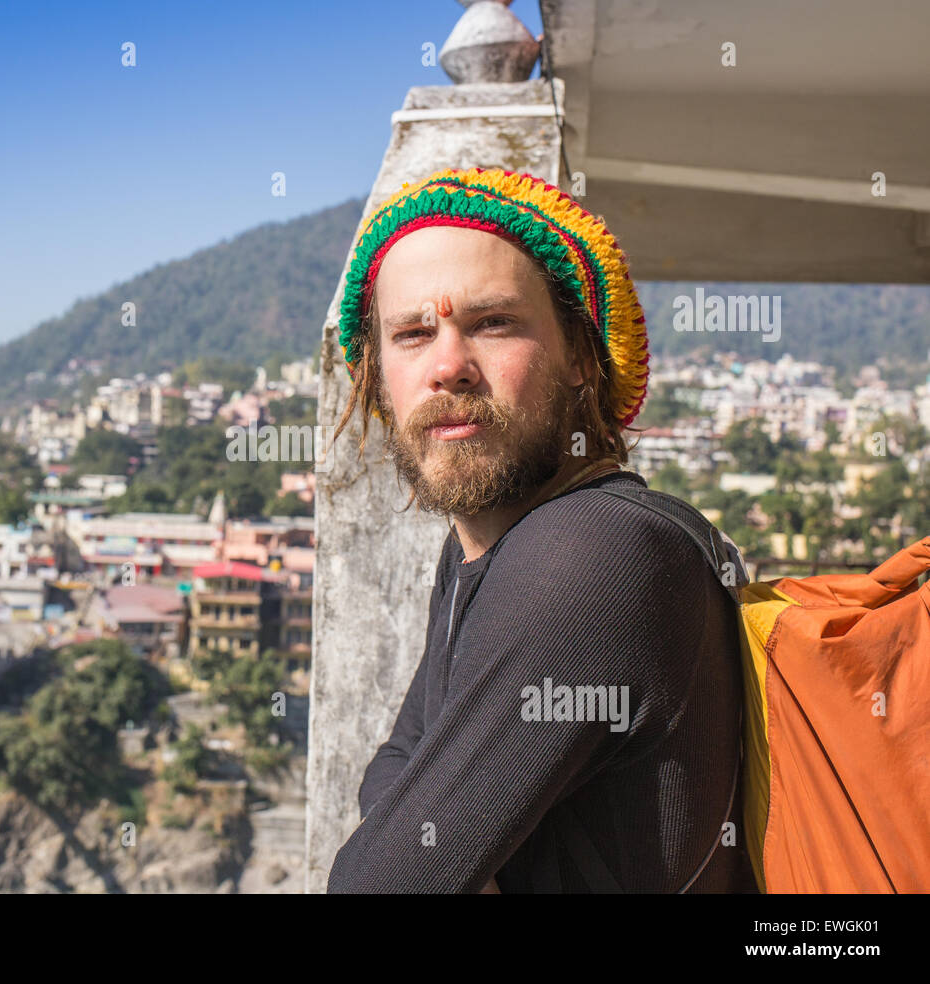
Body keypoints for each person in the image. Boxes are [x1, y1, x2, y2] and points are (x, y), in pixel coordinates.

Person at [324, 166, 757, 893]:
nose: (448, 366)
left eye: (492, 323)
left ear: (584, 357)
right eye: (412, 333)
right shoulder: (483, 548)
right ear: (377, 378)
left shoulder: (591, 556)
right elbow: (395, 768)